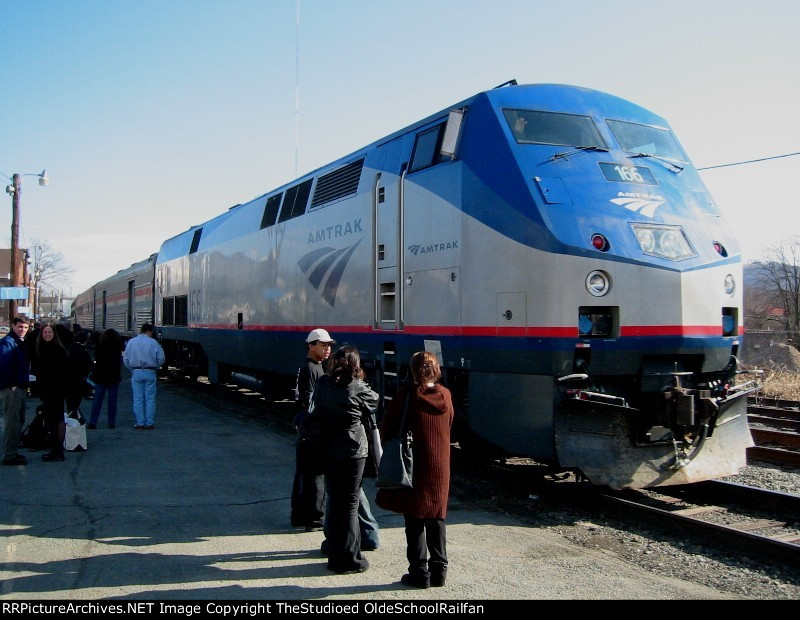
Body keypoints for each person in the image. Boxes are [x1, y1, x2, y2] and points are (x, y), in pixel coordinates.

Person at [376, 351, 454, 589]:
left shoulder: (406, 396)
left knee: (414, 519)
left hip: (413, 465)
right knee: (436, 517)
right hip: (440, 465)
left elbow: (387, 427)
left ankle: (419, 573)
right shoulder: (446, 395)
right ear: (436, 371)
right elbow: (450, 424)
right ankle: (439, 571)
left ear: (412, 371)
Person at [310, 346, 378, 574]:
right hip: (353, 452)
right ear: (356, 365)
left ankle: (334, 552)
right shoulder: (357, 387)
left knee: (335, 501)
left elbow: (315, 411)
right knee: (350, 505)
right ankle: (350, 557)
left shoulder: (322, 384)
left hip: (328, 450)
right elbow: (375, 402)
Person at [291, 328, 335, 529]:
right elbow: (308, 400)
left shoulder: (314, 367)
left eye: (328, 345)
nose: (327, 349)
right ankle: (314, 517)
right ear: (311, 346)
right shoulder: (311, 369)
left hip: (308, 430)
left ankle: (300, 515)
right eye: (323, 345)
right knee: (314, 474)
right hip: (312, 431)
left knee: (304, 473)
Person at [31, 322, 69, 462]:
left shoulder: (57, 350)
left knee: (56, 419)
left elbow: (58, 371)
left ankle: (58, 450)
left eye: (50, 332)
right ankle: (55, 449)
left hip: (55, 389)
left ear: (54, 334)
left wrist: (41, 374)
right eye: (45, 332)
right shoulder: (43, 348)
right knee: (53, 419)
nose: (47, 334)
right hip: (48, 389)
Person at [123, 323, 165, 430]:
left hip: (136, 371)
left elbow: (125, 359)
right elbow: (161, 358)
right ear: (149, 331)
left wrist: (132, 369)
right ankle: (149, 423)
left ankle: (140, 423)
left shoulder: (131, 342)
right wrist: (156, 367)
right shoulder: (153, 342)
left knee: (138, 399)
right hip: (150, 371)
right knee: (150, 399)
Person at [1, 317, 30, 466]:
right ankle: (9, 455)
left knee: (18, 420)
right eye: (20, 327)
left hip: (18, 387)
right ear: (13, 326)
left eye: (26, 327)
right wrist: (11, 384)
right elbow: (3, 365)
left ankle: (12, 451)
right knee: (12, 422)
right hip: (12, 390)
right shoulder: (8, 343)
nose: (23, 330)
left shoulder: (18, 342)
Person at [88, 329, 123, 429]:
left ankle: (93, 422)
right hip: (114, 377)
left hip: (101, 377)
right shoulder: (117, 347)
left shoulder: (100, 346)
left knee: (97, 400)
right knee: (112, 401)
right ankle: (111, 422)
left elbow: (97, 361)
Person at [65, 330, 92, 414]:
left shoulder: (70, 348)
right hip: (79, 381)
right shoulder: (83, 351)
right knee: (76, 402)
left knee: (70, 402)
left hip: (68, 380)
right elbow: (89, 366)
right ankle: (74, 416)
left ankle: (71, 414)